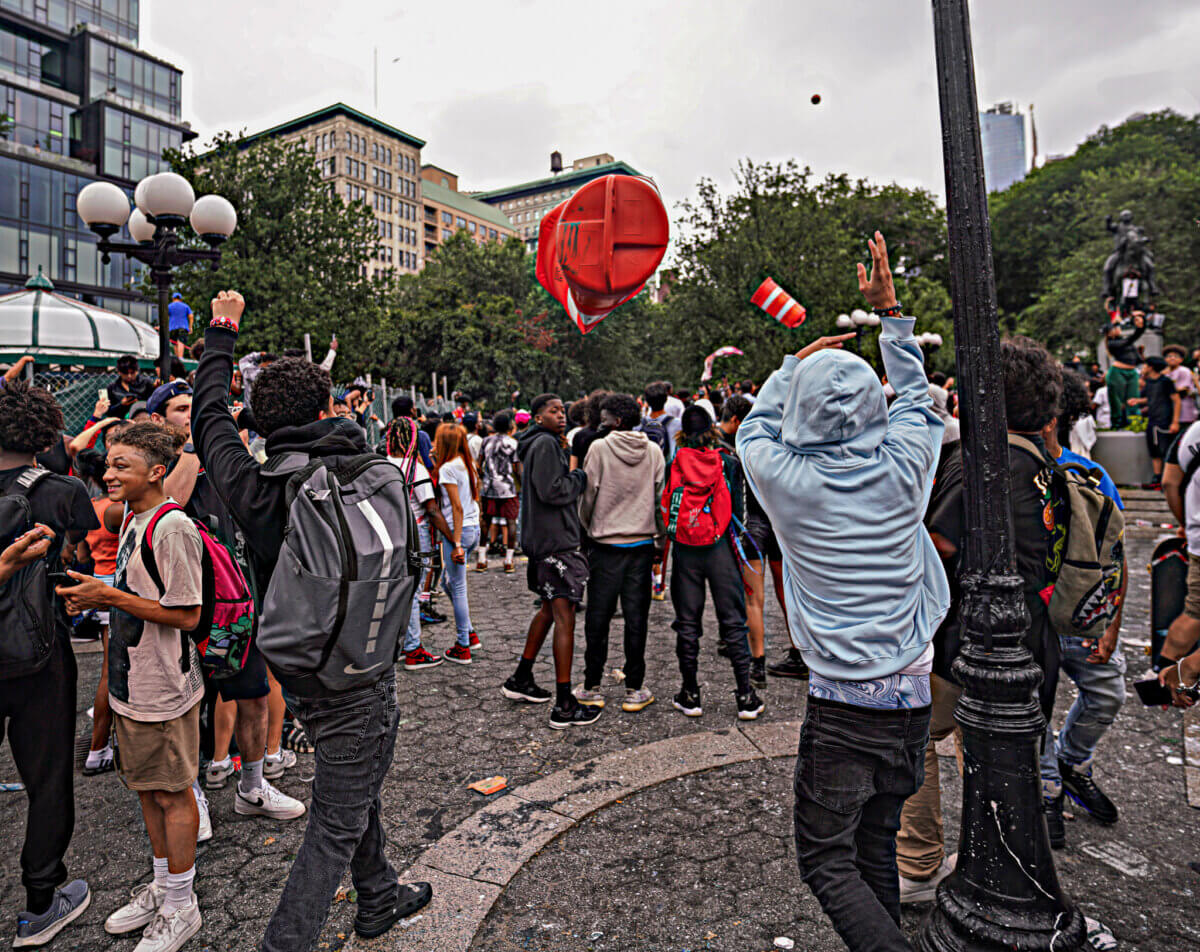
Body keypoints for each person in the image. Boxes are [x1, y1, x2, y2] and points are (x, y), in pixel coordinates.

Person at [191, 290, 431, 949]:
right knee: (335, 818)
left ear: (259, 424)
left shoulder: (258, 486)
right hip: (363, 670)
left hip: (299, 670)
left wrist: (220, 333)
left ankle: (379, 894)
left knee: (355, 779)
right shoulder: (364, 467)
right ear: (332, 409)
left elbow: (206, 417)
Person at [739, 232, 946, 950]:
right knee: (876, 843)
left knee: (827, 859)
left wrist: (793, 364)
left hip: (843, 703)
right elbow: (919, 397)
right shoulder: (905, 467)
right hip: (912, 692)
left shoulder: (785, 482)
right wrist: (890, 316)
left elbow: (754, 429)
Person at [907, 336, 1064, 895]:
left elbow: (940, 543)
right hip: (1034, 640)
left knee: (913, 733)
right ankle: (992, 860)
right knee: (994, 747)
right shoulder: (1050, 466)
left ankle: (917, 862)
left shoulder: (982, 462)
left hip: (972, 638)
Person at [58, 423, 206, 952]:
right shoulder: (132, 519)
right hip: (130, 680)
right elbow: (132, 588)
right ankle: (164, 887)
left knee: (172, 791)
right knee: (146, 788)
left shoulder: (172, 528)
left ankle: (183, 904)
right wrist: (96, 596)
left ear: (157, 472)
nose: (109, 472)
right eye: (109, 463)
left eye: (123, 465)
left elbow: (187, 614)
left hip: (163, 686)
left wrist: (111, 597)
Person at [151, 381, 305, 821]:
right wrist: (200, 442)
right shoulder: (157, 461)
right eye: (183, 409)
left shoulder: (223, 458)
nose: (189, 415)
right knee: (187, 706)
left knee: (254, 695)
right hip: (183, 606)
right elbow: (168, 504)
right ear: (161, 418)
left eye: (194, 409)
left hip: (235, 603)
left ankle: (253, 785)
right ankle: (191, 795)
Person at [0, 381, 97, 949]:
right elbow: (79, 559)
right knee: (48, 777)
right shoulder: (62, 492)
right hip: (42, 652)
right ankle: (42, 899)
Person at [1036, 374, 1127, 847]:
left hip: (1087, 619)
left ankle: (1072, 763)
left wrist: (1111, 624)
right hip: (1037, 624)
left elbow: (1118, 552)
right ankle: (1048, 788)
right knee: (1035, 705)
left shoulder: (1089, 473)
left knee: (1109, 693)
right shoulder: (1015, 470)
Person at [502, 393, 598, 728]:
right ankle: (565, 704)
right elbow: (552, 490)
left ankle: (521, 677)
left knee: (547, 609)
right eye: (553, 411)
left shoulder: (537, 443)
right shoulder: (544, 445)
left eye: (562, 410)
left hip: (544, 540)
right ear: (538, 417)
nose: (561, 415)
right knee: (564, 615)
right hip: (556, 542)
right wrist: (579, 478)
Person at [668, 404, 763, 721]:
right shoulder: (728, 462)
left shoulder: (676, 461)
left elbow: (667, 504)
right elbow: (741, 512)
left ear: (682, 431)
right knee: (733, 621)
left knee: (687, 623)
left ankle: (691, 693)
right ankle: (745, 695)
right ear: (711, 429)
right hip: (721, 547)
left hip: (686, 550)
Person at [576, 392, 665, 713]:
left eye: (604, 418)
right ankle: (634, 688)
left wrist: (588, 527)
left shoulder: (598, 449)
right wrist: (657, 538)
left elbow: (588, 497)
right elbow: (659, 500)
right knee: (636, 619)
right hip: (641, 546)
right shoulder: (654, 451)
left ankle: (591, 686)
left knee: (597, 618)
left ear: (616, 420)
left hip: (604, 546)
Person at [714, 394, 791, 688]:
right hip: (780, 525)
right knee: (788, 595)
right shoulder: (774, 444)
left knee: (753, 600)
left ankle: (756, 664)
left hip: (751, 529)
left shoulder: (736, 450)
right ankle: (800, 654)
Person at [385, 416, 453, 671]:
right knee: (413, 590)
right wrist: (451, 537)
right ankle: (414, 650)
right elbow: (432, 510)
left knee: (396, 591)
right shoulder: (415, 468)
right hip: (416, 535)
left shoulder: (379, 464)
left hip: (388, 535)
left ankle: (399, 646)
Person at [73, 448, 122, 778]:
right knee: (110, 670)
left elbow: (79, 553)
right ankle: (97, 748)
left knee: (112, 667)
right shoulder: (116, 510)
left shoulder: (89, 509)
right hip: (114, 589)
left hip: (97, 582)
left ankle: (101, 745)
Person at [434, 423, 482, 664]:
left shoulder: (448, 468)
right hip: (472, 529)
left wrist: (456, 543)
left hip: (458, 532)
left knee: (458, 586)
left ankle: (463, 645)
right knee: (447, 582)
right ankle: (470, 633)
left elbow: (456, 507)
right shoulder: (466, 463)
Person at [478, 411, 520, 574]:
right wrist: (520, 483)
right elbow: (516, 467)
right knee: (511, 522)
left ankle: (482, 558)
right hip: (508, 488)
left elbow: (479, 464)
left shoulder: (486, 441)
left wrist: (484, 477)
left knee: (486, 521)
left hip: (489, 487)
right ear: (510, 426)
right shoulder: (513, 443)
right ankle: (508, 560)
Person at [1129, 355, 1180, 489]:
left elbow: (1176, 400)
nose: (1143, 368)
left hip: (1164, 421)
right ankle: (1157, 480)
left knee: (1165, 451)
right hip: (1152, 420)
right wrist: (1137, 401)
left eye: (1145, 365)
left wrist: (1175, 422)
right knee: (1154, 451)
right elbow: (1151, 398)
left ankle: (1167, 481)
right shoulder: (1149, 383)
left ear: (1151, 367)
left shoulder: (1166, 381)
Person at [1102, 312, 1144, 429]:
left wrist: (1140, 321)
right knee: (1117, 401)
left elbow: (1136, 356)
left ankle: (1134, 423)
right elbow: (1130, 340)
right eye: (1115, 328)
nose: (1118, 329)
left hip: (1132, 372)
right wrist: (1139, 329)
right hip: (1117, 372)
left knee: (1133, 399)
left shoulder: (1123, 340)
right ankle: (1116, 424)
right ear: (1110, 332)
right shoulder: (1112, 343)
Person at [1164, 344, 1197, 427]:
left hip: (1185, 412)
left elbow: (1183, 389)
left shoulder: (1184, 371)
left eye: (1175, 356)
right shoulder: (1166, 372)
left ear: (1181, 360)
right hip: (1171, 411)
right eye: (1169, 356)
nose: (1172, 358)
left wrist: (1163, 391)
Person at [167, 293, 193, 359]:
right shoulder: (186, 306)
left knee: (175, 343)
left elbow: (165, 317)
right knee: (181, 341)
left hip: (172, 327)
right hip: (183, 326)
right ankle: (181, 358)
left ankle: (177, 358)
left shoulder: (169, 306)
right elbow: (191, 316)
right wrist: (190, 327)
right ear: (180, 299)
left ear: (173, 298)